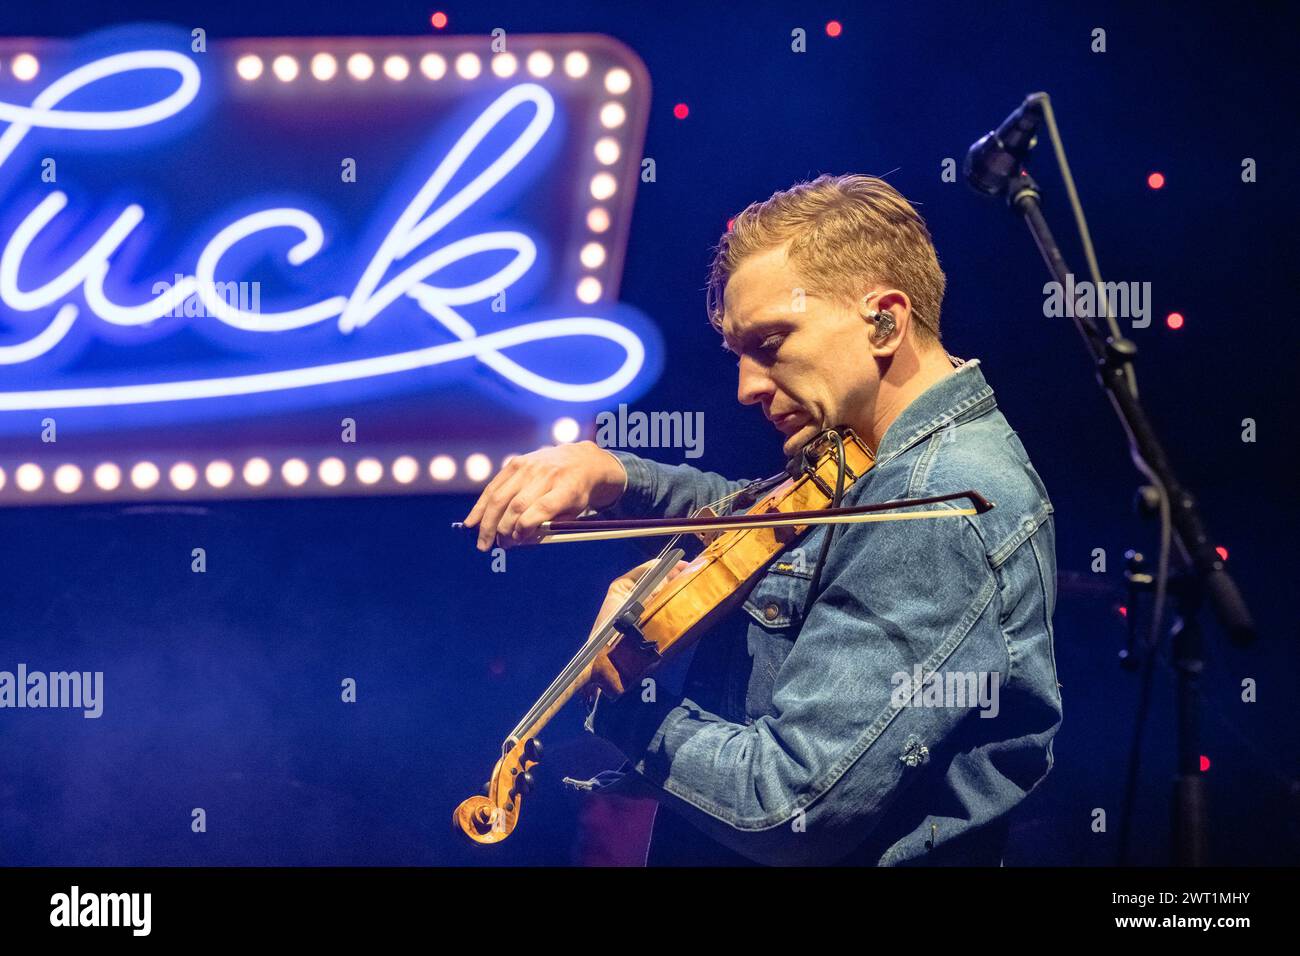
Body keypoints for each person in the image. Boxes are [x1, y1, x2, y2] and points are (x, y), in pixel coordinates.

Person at [462, 174, 1062, 865]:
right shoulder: (871, 463)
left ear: (884, 321)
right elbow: (769, 515)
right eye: (739, 355)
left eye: (771, 343)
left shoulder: (933, 507)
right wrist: (614, 473)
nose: (746, 387)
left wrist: (622, 696)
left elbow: (786, 803)